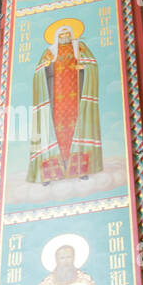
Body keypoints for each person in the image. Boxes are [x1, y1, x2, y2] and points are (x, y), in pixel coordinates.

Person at [28, 20, 102, 183]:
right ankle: (52, 172)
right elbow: (39, 72)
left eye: (67, 34)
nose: (65, 37)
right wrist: (47, 65)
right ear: (56, 36)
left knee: (77, 130)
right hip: (57, 100)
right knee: (55, 133)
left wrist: (83, 67)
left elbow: (91, 64)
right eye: (61, 35)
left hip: (76, 96)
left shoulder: (80, 47)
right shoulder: (50, 51)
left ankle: (80, 169)